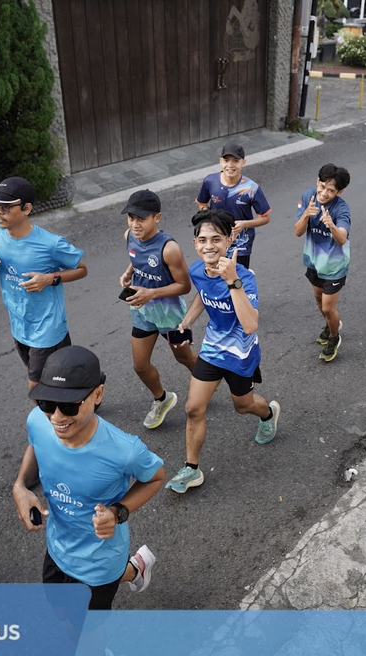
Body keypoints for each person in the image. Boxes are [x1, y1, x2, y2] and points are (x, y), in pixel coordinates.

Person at [12, 345, 165, 610]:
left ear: (98, 394)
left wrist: (117, 512)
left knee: (85, 628)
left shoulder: (125, 450)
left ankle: (127, 571)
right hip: (57, 549)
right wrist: (20, 485)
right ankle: (136, 569)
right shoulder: (38, 421)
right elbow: (36, 442)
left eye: (68, 406)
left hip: (100, 563)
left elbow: (156, 478)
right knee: (60, 612)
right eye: (46, 403)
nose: (56, 417)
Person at [164, 210, 281, 494]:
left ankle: (268, 414)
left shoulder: (244, 278)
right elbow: (202, 295)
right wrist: (187, 321)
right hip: (213, 349)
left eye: (216, 239)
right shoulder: (197, 270)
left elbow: (250, 325)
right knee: (193, 408)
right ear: (195, 243)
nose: (209, 245)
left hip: (240, 354)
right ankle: (191, 469)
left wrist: (232, 281)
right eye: (203, 240)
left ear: (229, 241)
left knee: (243, 406)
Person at [0, 177, 87, 396]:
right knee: (58, 378)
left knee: (37, 389)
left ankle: (65, 413)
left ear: (27, 208)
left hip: (47, 327)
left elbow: (82, 269)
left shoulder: (51, 244)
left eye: (6, 206)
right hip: (19, 324)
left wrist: (49, 279)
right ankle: (87, 393)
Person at [117, 189, 196, 429]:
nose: (135, 224)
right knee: (140, 365)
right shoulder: (129, 236)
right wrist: (129, 272)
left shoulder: (169, 248)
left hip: (170, 313)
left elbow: (184, 286)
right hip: (142, 311)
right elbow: (136, 257)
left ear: (157, 217)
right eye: (131, 217)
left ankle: (205, 382)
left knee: (183, 356)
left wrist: (151, 293)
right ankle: (162, 399)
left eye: (142, 218)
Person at [294, 164, 351, 363]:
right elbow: (298, 231)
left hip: (335, 266)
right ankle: (330, 325)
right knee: (318, 298)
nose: (324, 193)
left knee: (327, 307)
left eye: (331, 190)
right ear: (317, 180)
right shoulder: (308, 196)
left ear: (339, 192)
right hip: (313, 260)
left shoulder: (341, 209)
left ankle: (334, 337)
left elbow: (342, 238)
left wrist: (332, 225)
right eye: (322, 186)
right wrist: (306, 214)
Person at [195, 143, 272, 269]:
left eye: (235, 161)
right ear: (220, 161)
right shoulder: (210, 181)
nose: (230, 165)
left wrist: (244, 224)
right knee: (215, 275)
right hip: (216, 242)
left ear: (243, 162)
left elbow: (265, 218)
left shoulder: (251, 188)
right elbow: (202, 203)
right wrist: (208, 219)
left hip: (240, 245)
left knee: (237, 277)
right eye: (226, 160)